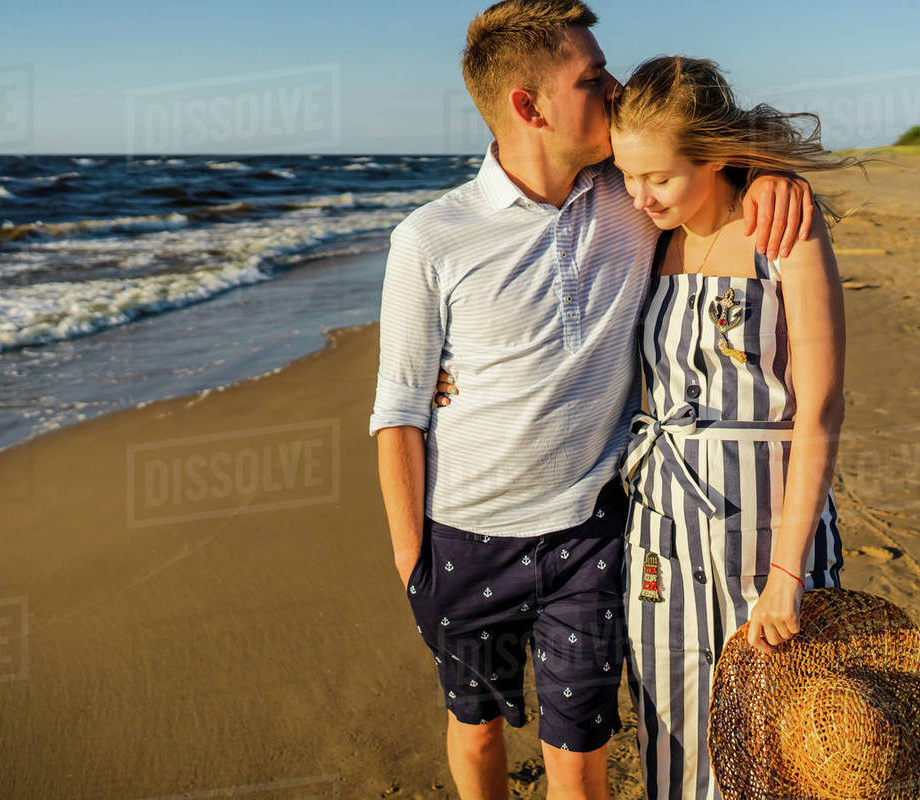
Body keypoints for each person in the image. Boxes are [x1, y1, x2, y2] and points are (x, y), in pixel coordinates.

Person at [369, 2, 813, 798]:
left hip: (589, 534)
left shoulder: (629, 198)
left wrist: (770, 175)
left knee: (580, 753)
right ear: (528, 107)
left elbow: (699, 164)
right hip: (462, 541)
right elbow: (399, 411)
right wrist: (414, 568)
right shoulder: (431, 239)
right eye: (592, 77)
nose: (614, 88)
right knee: (475, 732)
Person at [607, 55, 862, 799]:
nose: (639, 195)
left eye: (658, 177)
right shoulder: (646, 240)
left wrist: (787, 577)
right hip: (658, 524)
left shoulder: (782, 233)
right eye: (627, 175)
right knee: (671, 726)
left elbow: (820, 407)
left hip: (767, 528)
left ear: (717, 154)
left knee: (778, 737)